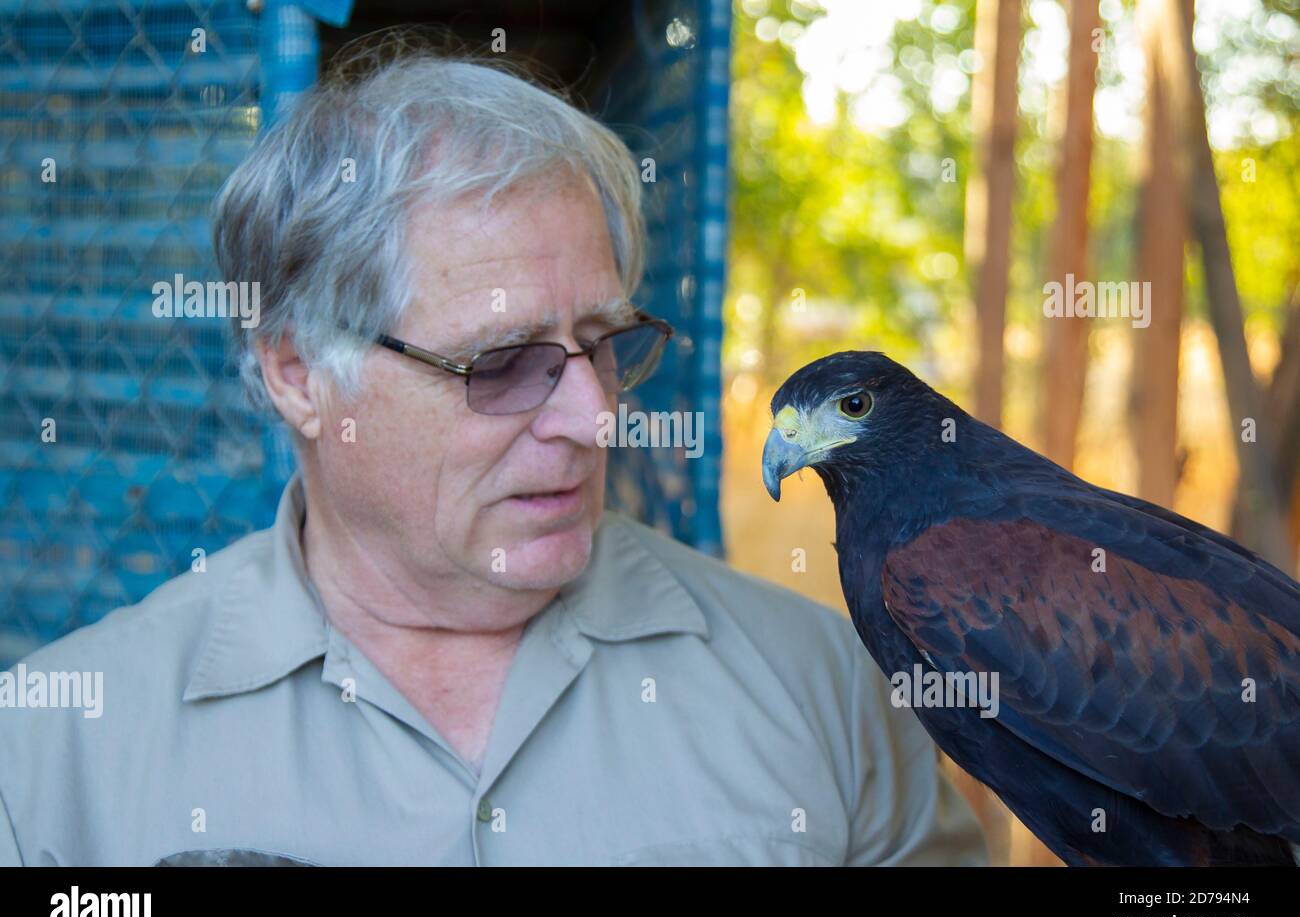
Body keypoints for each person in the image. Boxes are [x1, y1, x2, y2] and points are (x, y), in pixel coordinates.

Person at [0, 42, 987, 866]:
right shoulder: (52, 759)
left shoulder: (829, 693)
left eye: (603, 343)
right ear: (299, 369)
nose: (593, 416)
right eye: (502, 363)